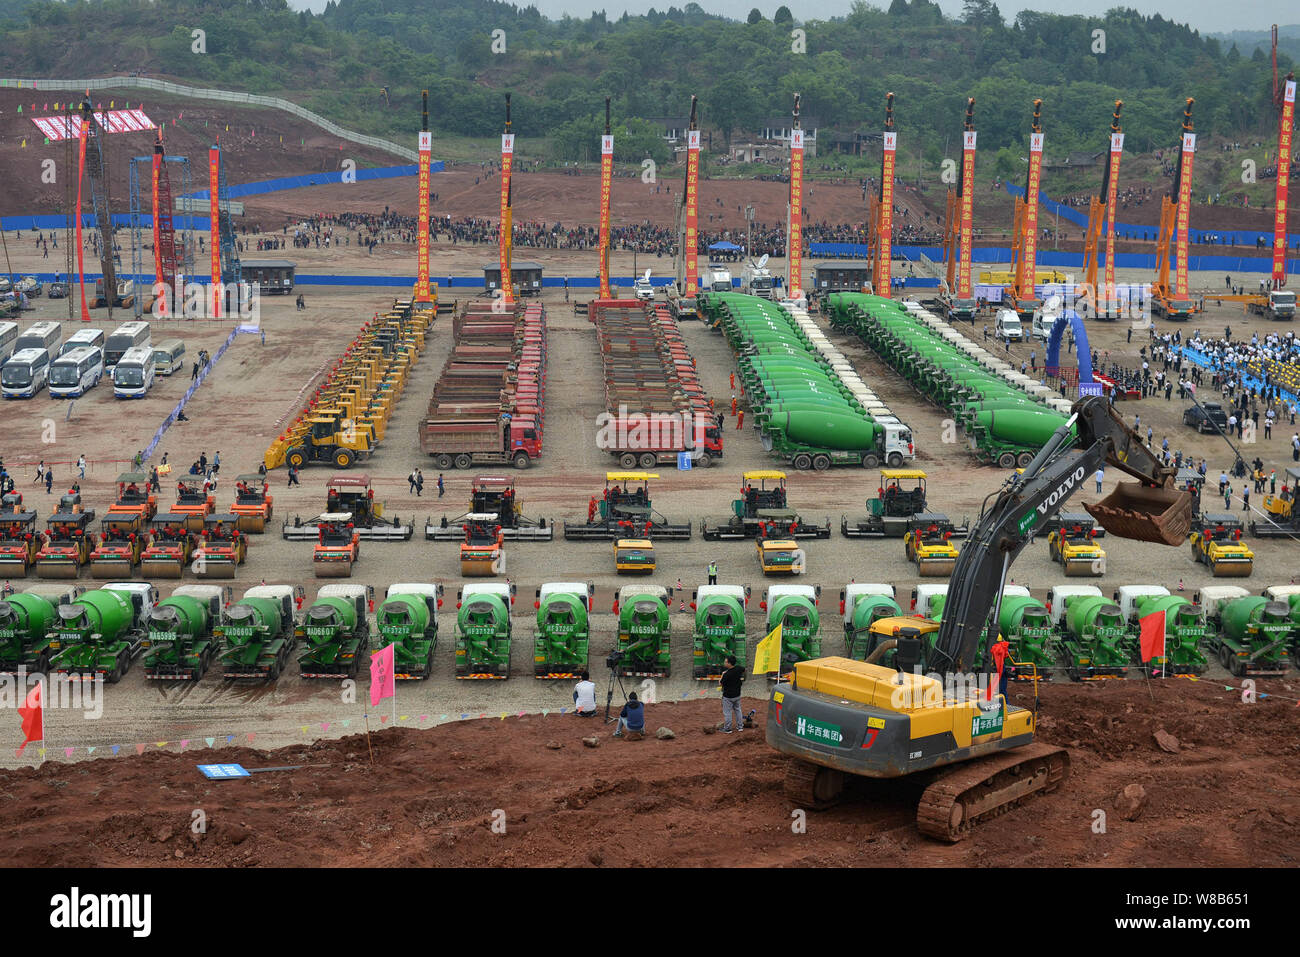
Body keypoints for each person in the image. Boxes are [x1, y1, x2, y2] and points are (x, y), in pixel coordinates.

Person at [719, 655, 745, 734]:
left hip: (728, 696)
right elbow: (743, 669)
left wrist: (723, 674)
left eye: (725, 662)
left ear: (729, 663)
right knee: (738, 710)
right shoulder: (739, 669)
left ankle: (728, 729)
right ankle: (740, 726)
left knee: (727, 712)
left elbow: (720, 683)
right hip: (737, 694)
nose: (724, 663)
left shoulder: (727, 674)